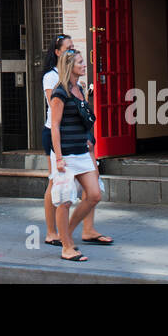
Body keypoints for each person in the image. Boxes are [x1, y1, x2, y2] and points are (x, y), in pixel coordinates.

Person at [41, 36, 104, 247]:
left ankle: (72, 231)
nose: (84, 64)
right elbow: (56, 122)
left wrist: (90, 142)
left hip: (81, 147)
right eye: (79, 61)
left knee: (94, 193)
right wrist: (58, 156)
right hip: (63, 146)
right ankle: (61, 240)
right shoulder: (57, 87)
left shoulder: (80, 88)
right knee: (63, 197)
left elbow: (84, 118)